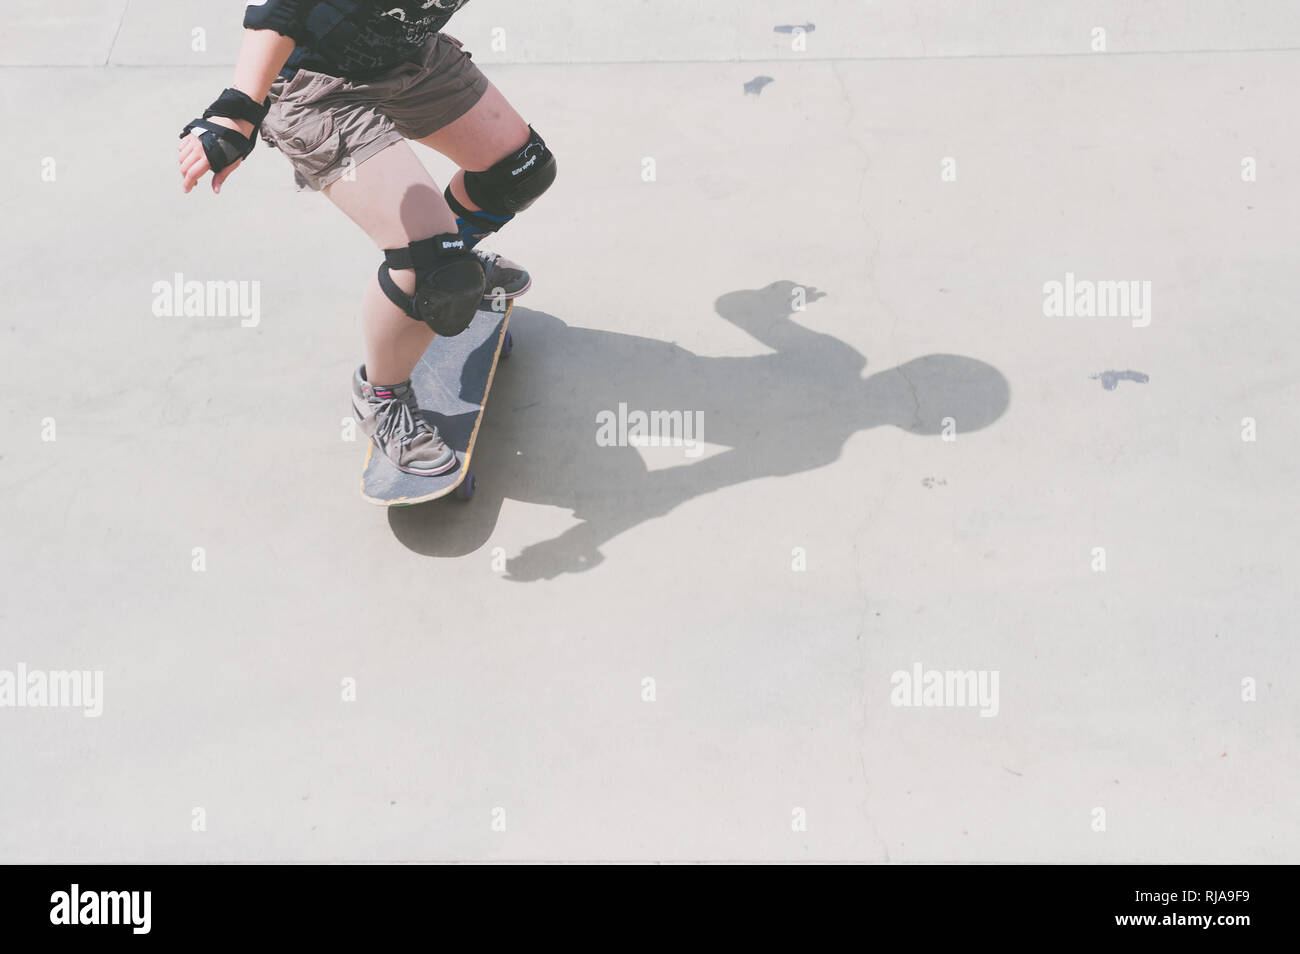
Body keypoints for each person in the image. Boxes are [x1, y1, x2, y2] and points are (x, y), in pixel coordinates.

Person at [178, 1, 556, 476]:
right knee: (431, 268)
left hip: (411, 58)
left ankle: (452, 262)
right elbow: (283, 8)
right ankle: (381, 396)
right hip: (314, 88)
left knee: (519, 170)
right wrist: (238, 110)